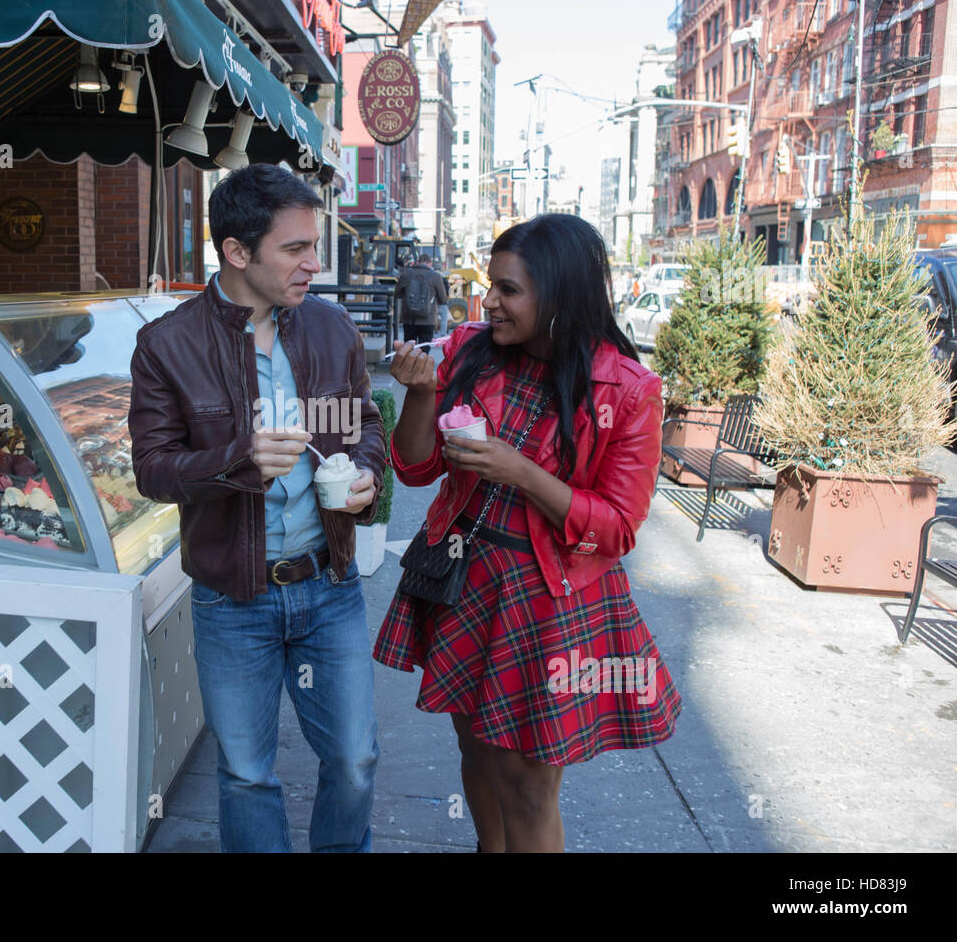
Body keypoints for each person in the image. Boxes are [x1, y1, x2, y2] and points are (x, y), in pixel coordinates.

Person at [375, 213, 681, 853]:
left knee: (531, 786)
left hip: (549, 599)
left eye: (508, 290)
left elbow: (619, 527)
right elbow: (415, 467)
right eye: (491, 286)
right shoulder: (470, 352)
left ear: (559, 294)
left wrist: (522, 473)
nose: (488, 301)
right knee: (477, 752)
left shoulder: (627, 389)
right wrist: (423, 393)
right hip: (462, 582)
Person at [128, 164, 387, 852]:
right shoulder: (167, 344)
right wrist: (236, 463)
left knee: (356, 760)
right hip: (230, 599)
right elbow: (152, 470)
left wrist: (365, 475)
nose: (313, 262)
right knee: (245, 775)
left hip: (329, 585)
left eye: (313, 245)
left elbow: (366, 425)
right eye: (295, 249)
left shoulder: (330, 330)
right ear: (237, 252)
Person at [394, 252, 447, 344]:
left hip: (409, 319)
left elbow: (397, 294)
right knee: (424, 351)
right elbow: (443, 299)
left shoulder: (406, 274)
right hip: (428, 319)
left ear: (418, 262)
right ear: (430, 263)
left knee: (409, 350)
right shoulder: (436, 276)